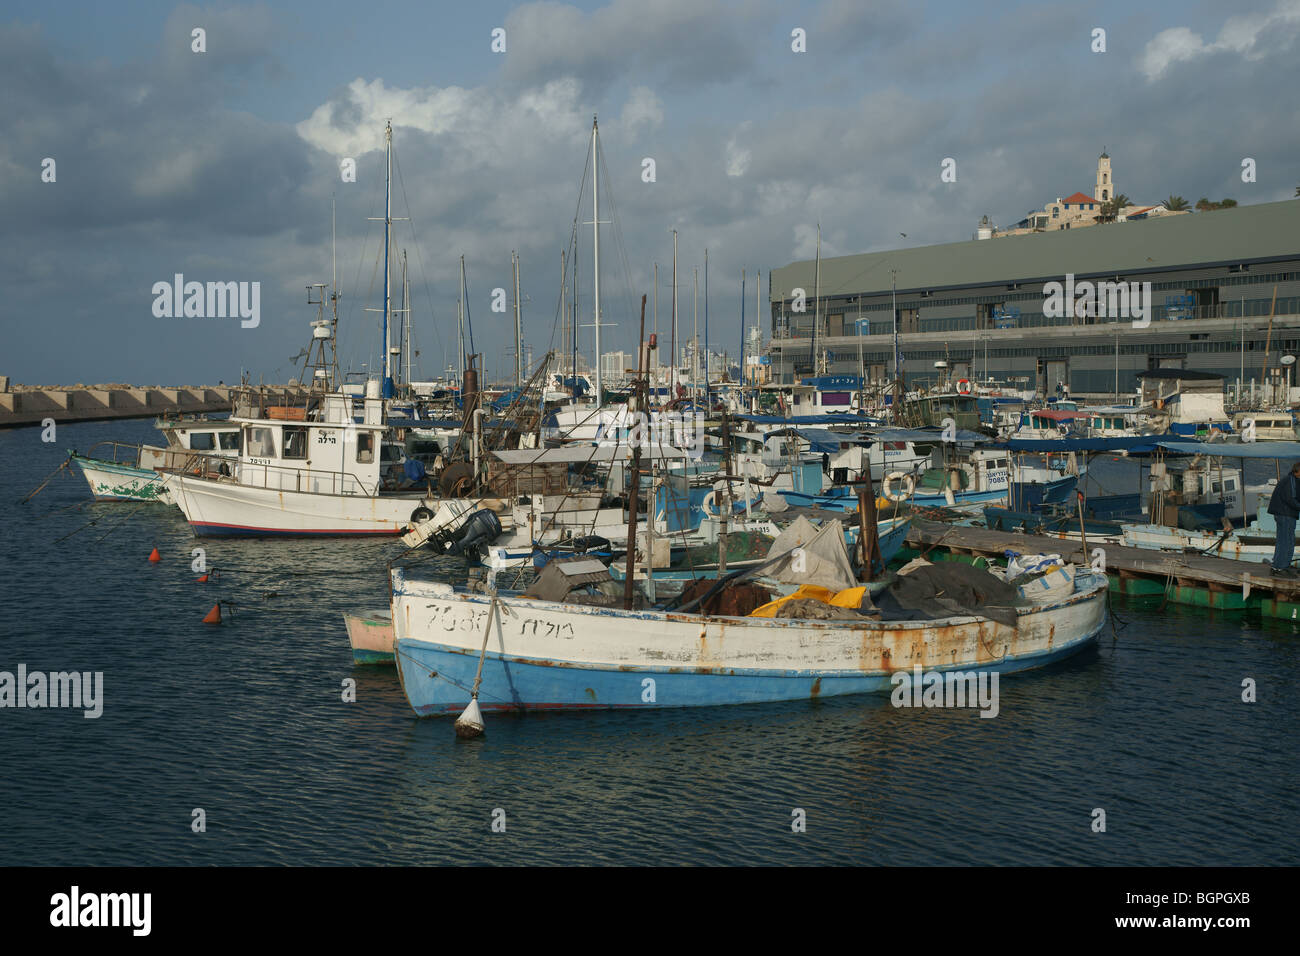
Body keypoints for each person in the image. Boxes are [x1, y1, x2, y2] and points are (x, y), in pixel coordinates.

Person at [1267, 461, 1300, 575]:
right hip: (1285, 514)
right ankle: (1280, 567)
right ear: (1298, 471)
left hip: (1284, 513)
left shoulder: (1291, 479)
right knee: (1287, 540)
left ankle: (1279, 565)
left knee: (1283, 540)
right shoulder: (1290, 481)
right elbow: (1290, 499)